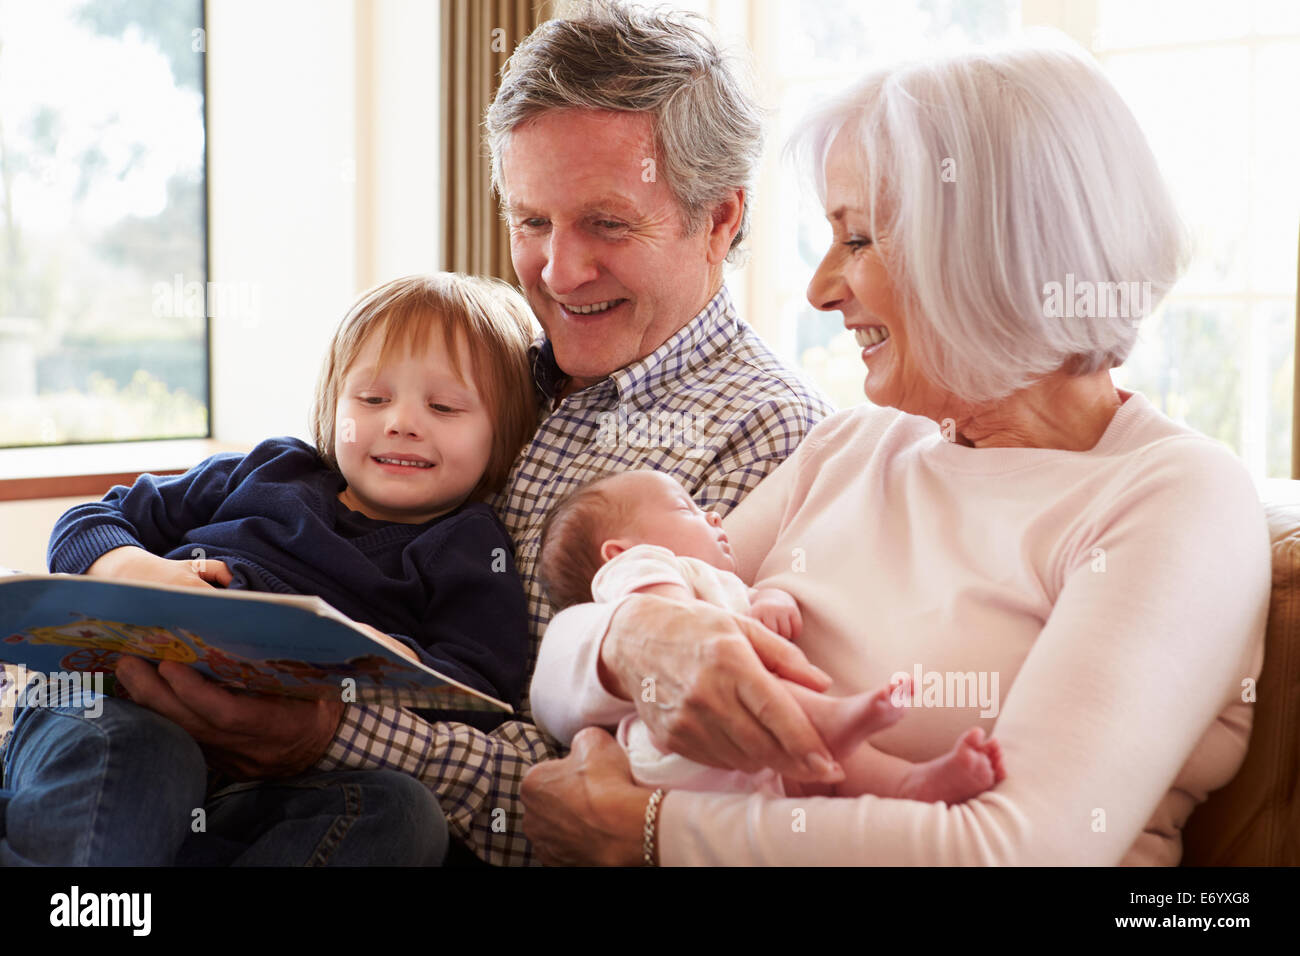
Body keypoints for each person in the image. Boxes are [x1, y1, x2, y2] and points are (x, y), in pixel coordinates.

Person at [520, 36, 1271, 866]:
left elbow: (1015, 849)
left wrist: (651, 832)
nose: (820, 289)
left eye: (859, 241)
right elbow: (557, 666)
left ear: (988, 247)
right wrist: (630, 644)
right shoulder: (854, 444)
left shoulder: (1173, 495)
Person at [307, 2, 833, 865]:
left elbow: (615, 805)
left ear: (720, 221)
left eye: (608, 223)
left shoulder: (771, 435)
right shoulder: (482, 371)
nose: (558, 271)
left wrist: (328, 737)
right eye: (531, 221)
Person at [0, 273, 536, 865]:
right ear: (333, 405)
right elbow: (94, 518)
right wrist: (130, 567)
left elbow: (480, 692)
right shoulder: (271, 469)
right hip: (109, 705)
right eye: (372, 399)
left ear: (503, 432)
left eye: (444, 406)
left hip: (262, 783)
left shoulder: (471, 545)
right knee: (150, 754)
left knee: (401, 813)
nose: (401, 422)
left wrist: (385, 656)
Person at [537, 468, 1006, 803]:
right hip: (675, 746)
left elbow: (751, 602)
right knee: (771, 692)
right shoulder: (644, 570)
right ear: (620, 552)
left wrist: (771, 600)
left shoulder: (720, 583)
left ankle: (911, 785)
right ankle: (835, 716)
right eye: (688, 508)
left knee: (830, 774)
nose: (716, 515)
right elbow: (672, 631)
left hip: (742, 781)